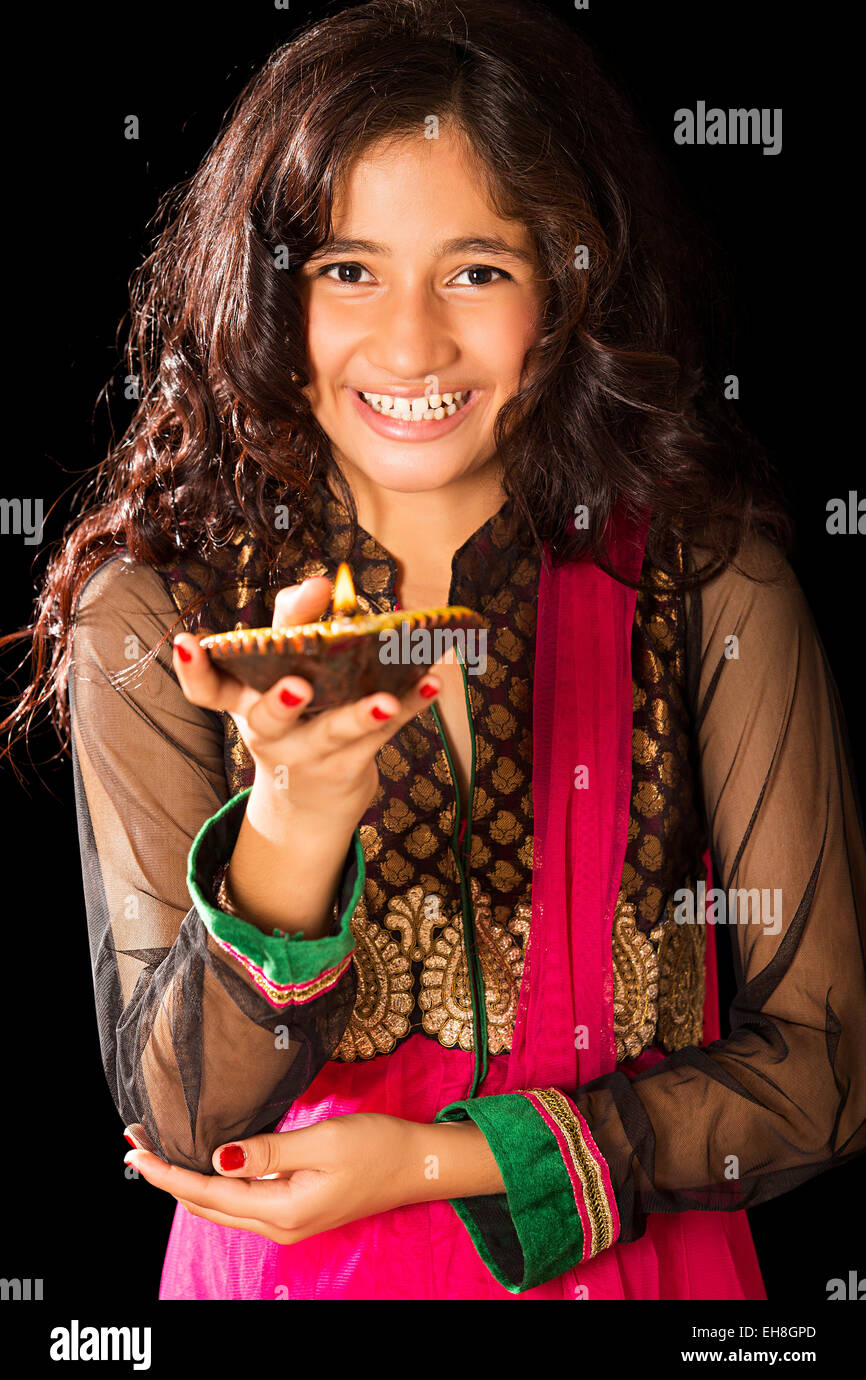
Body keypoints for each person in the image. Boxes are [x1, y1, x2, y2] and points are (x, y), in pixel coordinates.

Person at [4, 0, 864, 1300]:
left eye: (473, 269)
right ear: (268, 286)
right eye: (349, 268)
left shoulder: (708, 580)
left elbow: (823, 1074)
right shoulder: (155, 609)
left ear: (565, 283)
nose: (409, 343)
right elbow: (178, 1114)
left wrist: (432, 1161)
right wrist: (297, 813)